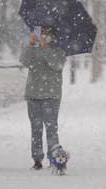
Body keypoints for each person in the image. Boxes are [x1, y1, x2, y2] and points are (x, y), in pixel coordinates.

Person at [20, 24, 67, 170]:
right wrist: (30, 44)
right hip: (33, 95)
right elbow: (24, 61)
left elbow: (57, 65)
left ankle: (54, 158)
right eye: (42, 32)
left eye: (47, 33)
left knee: (51, 128)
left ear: (53, 35)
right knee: (36, 129)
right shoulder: (33, 49)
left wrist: (45, 48)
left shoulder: (59, 50)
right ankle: (37, 159)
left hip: (51, 96)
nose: (44, 35)